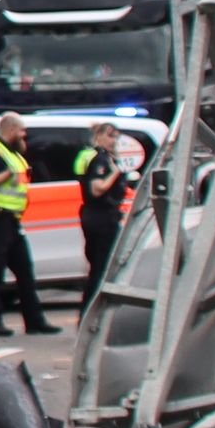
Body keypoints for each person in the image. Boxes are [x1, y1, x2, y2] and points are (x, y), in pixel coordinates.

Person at [0, 113, 51, 336]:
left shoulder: (12, 154)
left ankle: (35, 321)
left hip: (12, 220)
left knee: (25, 271)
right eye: (21, 130)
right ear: (9, 130)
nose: (23, 134)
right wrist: (7, 173)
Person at [75, 120, 135, 306]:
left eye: (115, 137)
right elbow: (97, 188)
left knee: (100, 266)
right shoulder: (99, 159)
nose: (113, 141)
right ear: (98, 136)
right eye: (109, 136)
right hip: (101, 216)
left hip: (98, 215)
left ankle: (94, 306)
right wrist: (115, 173)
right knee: (102, 267)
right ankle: (93, 307)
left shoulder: (94, 156)